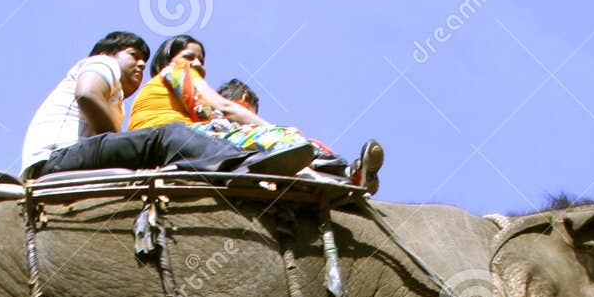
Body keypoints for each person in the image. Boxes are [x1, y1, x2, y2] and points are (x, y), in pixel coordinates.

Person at [20, 31, 314, 180]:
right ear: (108, 52)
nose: (140, 65)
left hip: (63, 160)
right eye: (133, 55)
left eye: (144, 61)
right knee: (169, 135)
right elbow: (87, 95)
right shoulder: (102, 63)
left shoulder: (120, 102)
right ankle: (242, 165)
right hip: (55, 159)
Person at [130, 34, 383, 192]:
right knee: (285, 139)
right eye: (190, 56)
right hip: (179, 139)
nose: (198, 64)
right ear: (168, 59)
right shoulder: (176, 70)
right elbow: (224, 109)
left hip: (161, 146)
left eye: (202, 61)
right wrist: (270, 130)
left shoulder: (164, 95)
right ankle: (345, 173)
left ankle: (344, 176)